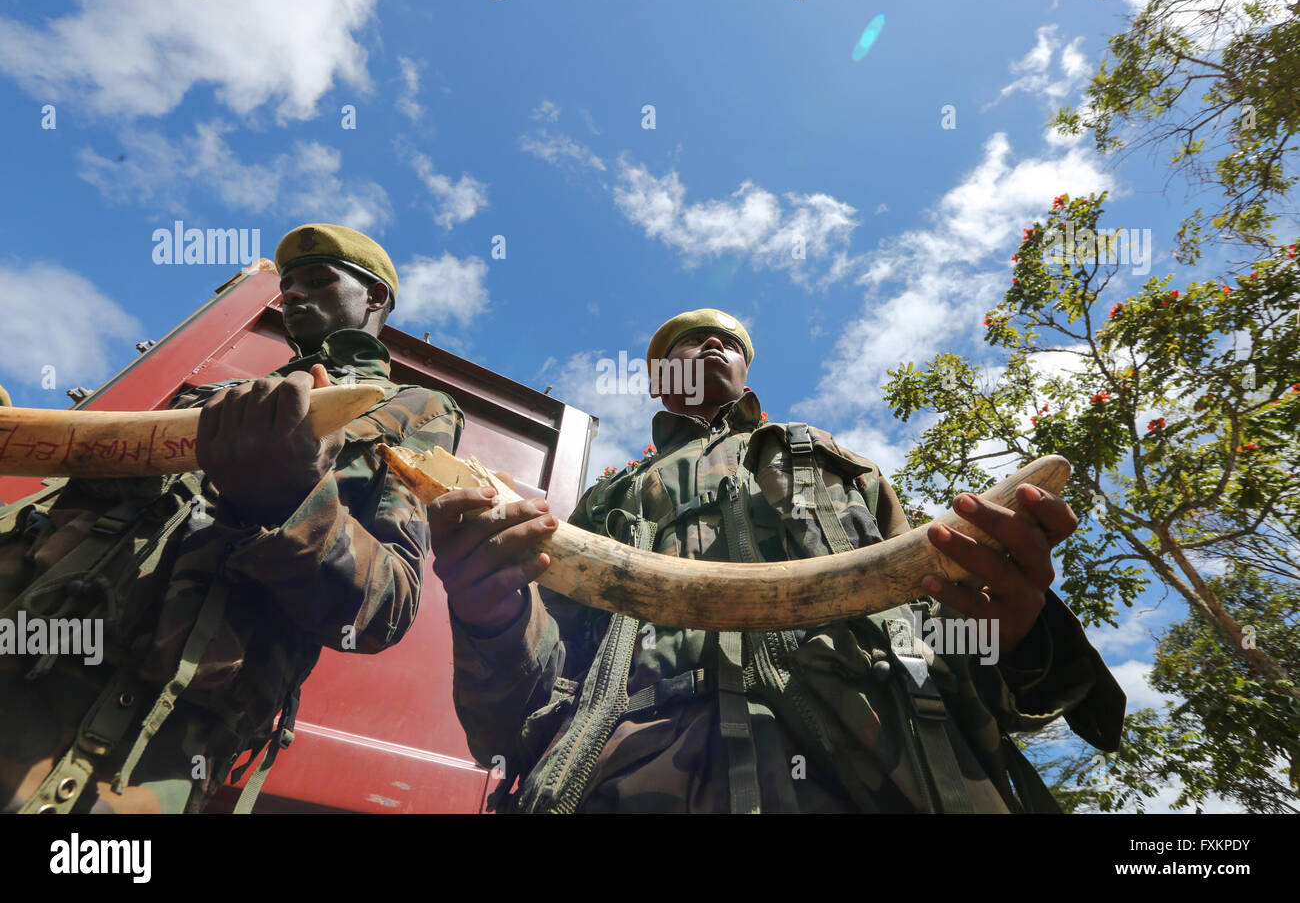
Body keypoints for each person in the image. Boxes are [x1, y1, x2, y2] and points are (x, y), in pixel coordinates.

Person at [439, 308, 1123, 812]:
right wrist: (489, 621)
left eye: (727, 342)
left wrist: (1018, 637)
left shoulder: (833, 462)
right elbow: (517, 718)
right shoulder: (603, 504)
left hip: (892, 776)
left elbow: (933, 622)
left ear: (744, 371)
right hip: (628, 783)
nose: (710, 343)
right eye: (685, 342)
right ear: (657, 382)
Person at [0, 223, 463, 813]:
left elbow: (385, 608)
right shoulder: (214, 395)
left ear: (375, 298)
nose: (291, 293)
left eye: (317, 280)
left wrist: (290, 501)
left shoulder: (413, 409)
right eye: (287, 284)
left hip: (146, 739)